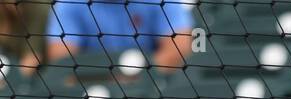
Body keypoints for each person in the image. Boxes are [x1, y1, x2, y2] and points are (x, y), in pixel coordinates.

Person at [46, 0, 192, 66]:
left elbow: (180, 46)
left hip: (153, 91)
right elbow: (61, 60)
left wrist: (141, 76)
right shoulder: (68, 4)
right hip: (94, 94)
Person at [0, 0, 49, 73]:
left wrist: (10, 79)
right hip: (7, 65)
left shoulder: (37, 8)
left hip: (36, 76)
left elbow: (31, 59)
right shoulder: (4, 9)